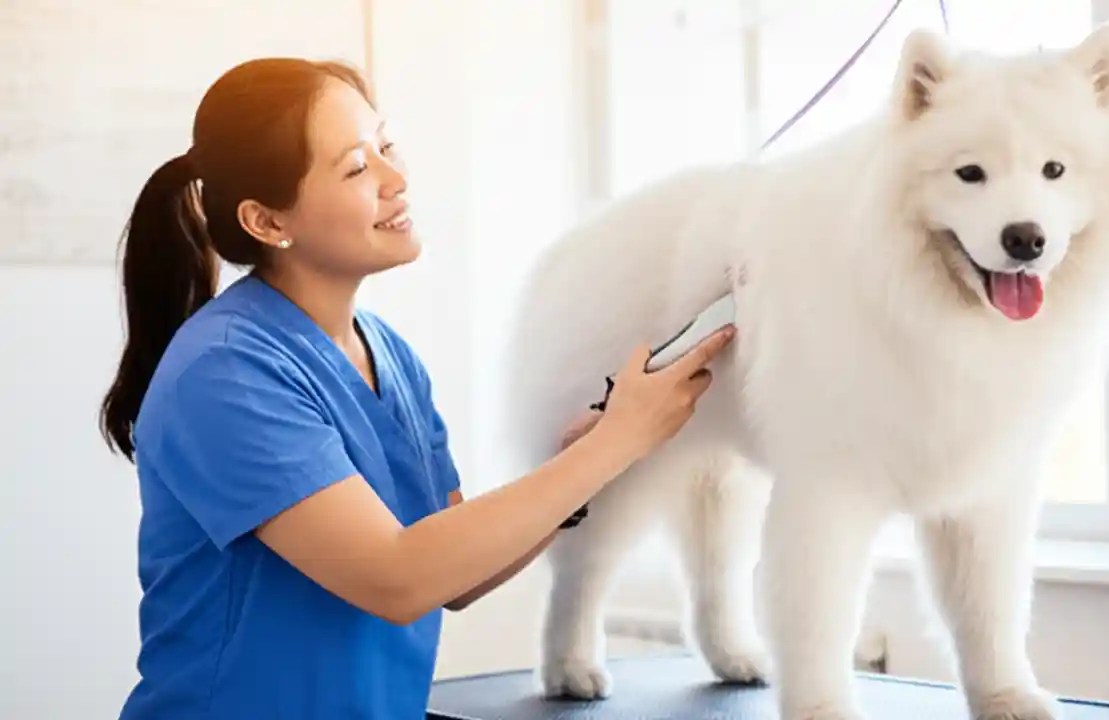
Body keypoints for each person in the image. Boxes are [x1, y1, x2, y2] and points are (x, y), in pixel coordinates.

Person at [98, 58, 735, 720]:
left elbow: (450, 571)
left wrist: (587, 464)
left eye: (387, 146)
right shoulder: (226, 373)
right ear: (266, 221)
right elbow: (397, 578)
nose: (397, 180)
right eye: (356, 168)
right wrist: (615, 445)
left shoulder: (388, 353)